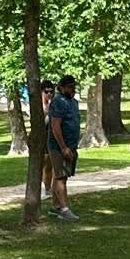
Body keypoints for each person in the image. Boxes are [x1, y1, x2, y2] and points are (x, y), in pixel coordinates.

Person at [47, 75, 82, 222]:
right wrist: (63, 148)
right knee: (61, 177)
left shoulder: (73, 102)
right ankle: (64, 209)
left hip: (71, 145)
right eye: (70, 87)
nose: (73, 89)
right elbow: (55, 126)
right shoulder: (58, 102)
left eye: (74, 86)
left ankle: (56, 206)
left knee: (61, 176)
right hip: (59, 147)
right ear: (61, 87)